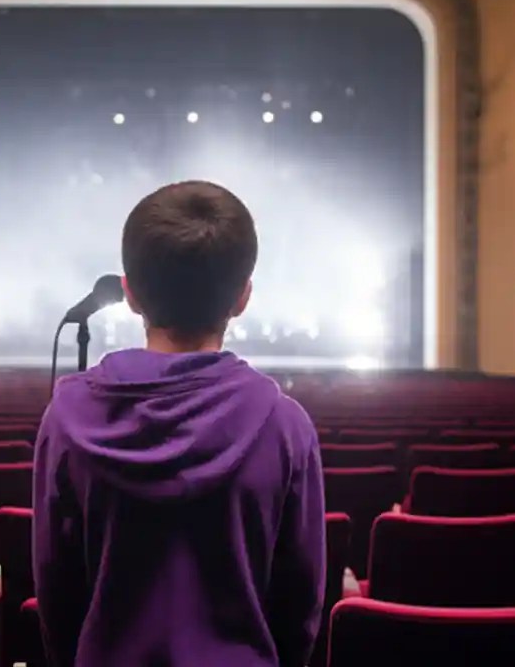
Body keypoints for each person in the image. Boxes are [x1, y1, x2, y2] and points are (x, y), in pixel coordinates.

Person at [34, 180, 325, 667]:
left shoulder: (67, 416)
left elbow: (54, 588)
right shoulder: (285, 426)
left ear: (129, 293)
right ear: (242, 296)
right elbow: (301, 603)